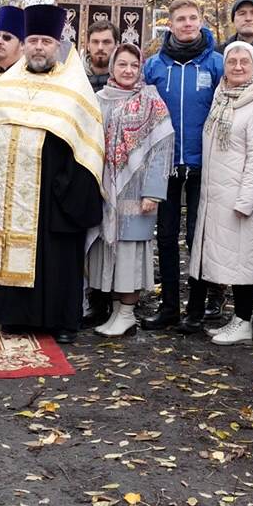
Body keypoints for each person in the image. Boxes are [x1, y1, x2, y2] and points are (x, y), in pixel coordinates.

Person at [0, 5, 104, 341]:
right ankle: (13, 315)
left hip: (53, 196)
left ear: (58, 45)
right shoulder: (2, 87)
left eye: (46, 41)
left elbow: (86, 146)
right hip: (5, 195)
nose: (39, 47)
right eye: (33, 41)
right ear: (24, 45)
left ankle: (61, 322)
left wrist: (63, 185)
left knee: (55, 259)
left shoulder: (74, 89)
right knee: (7, 249)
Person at [185, 42, 253, 345]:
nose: (238, 67)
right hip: (218, 195)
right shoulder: (222, 97)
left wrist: (246, 200)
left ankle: (243, 322)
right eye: (232, 61)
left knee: (245, 259)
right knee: (233, 258)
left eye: (244, 61)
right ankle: (237, 320)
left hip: (243, 197)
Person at [143, 0, 224, 328]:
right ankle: (169, 309)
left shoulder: (216, 64)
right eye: (181, 19)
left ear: (201, 21)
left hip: (203, 163)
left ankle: (196, 310)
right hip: (165, 164)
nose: (187, 24)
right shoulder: (155, 66)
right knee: (165, 238)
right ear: (171, 24)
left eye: (193, 18)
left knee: (197, 238)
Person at [88, 44, 172, 337]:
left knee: (129, 251)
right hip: (106, 191)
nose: (127, 70)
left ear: (140, 69)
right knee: (108, 250)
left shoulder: (151, 101)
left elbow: (161, 149)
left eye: (133, 66)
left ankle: (127, 313)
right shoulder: (98, 99)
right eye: (121, 64)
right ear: (112, 67)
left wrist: (153, 192)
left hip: (137, 192)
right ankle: (114, 312)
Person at [84, 20, 118, 89]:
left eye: (106, 42)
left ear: (116, 46)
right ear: (88, 45)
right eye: (95, 42)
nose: (100, 48)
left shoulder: (126, 77)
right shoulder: (74, 75)